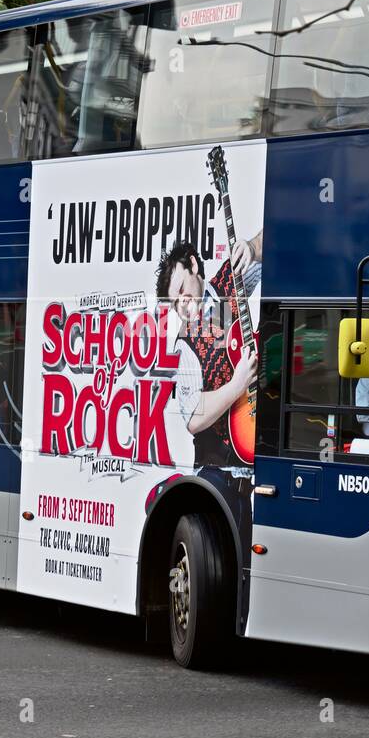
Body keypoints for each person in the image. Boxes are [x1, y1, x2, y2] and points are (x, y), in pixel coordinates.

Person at [156, 230, 263, 550]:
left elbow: (279, 233)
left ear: (193, 265)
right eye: (175, 303)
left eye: (182, 291)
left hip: (254, 467)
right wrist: (236, 385)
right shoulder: (186, 344)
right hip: (218, 475)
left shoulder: (232, 281)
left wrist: (252, 248)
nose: (182, 304)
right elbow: (193, 415)